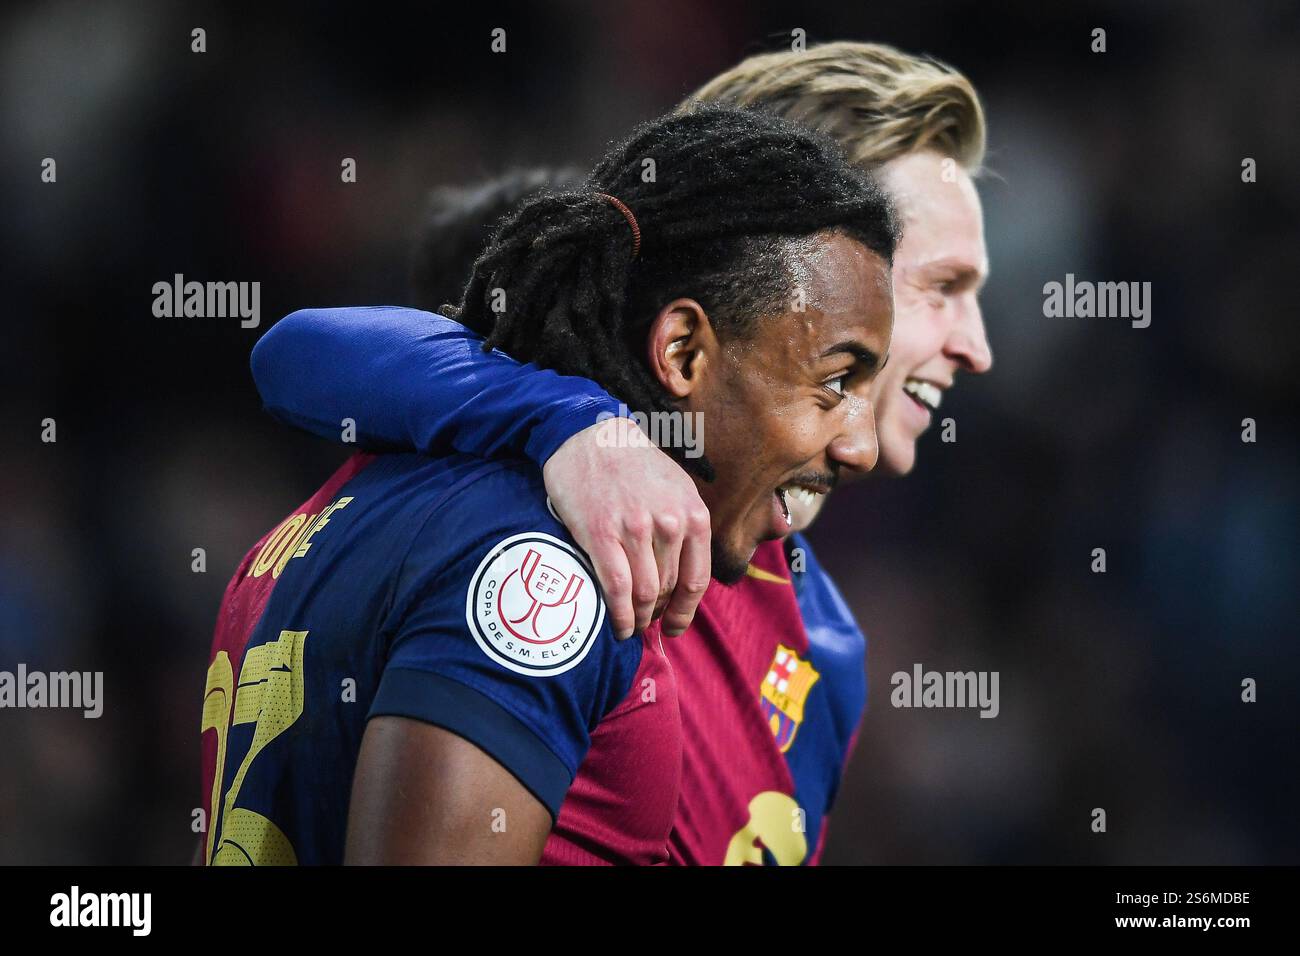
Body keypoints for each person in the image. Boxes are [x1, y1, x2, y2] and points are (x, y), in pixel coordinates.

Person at [250, 41, 992, 863]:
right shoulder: (549, 523)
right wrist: (571, 423)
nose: (977, 343)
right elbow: (296, 352)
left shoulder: (827, 647)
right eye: (941, 287)